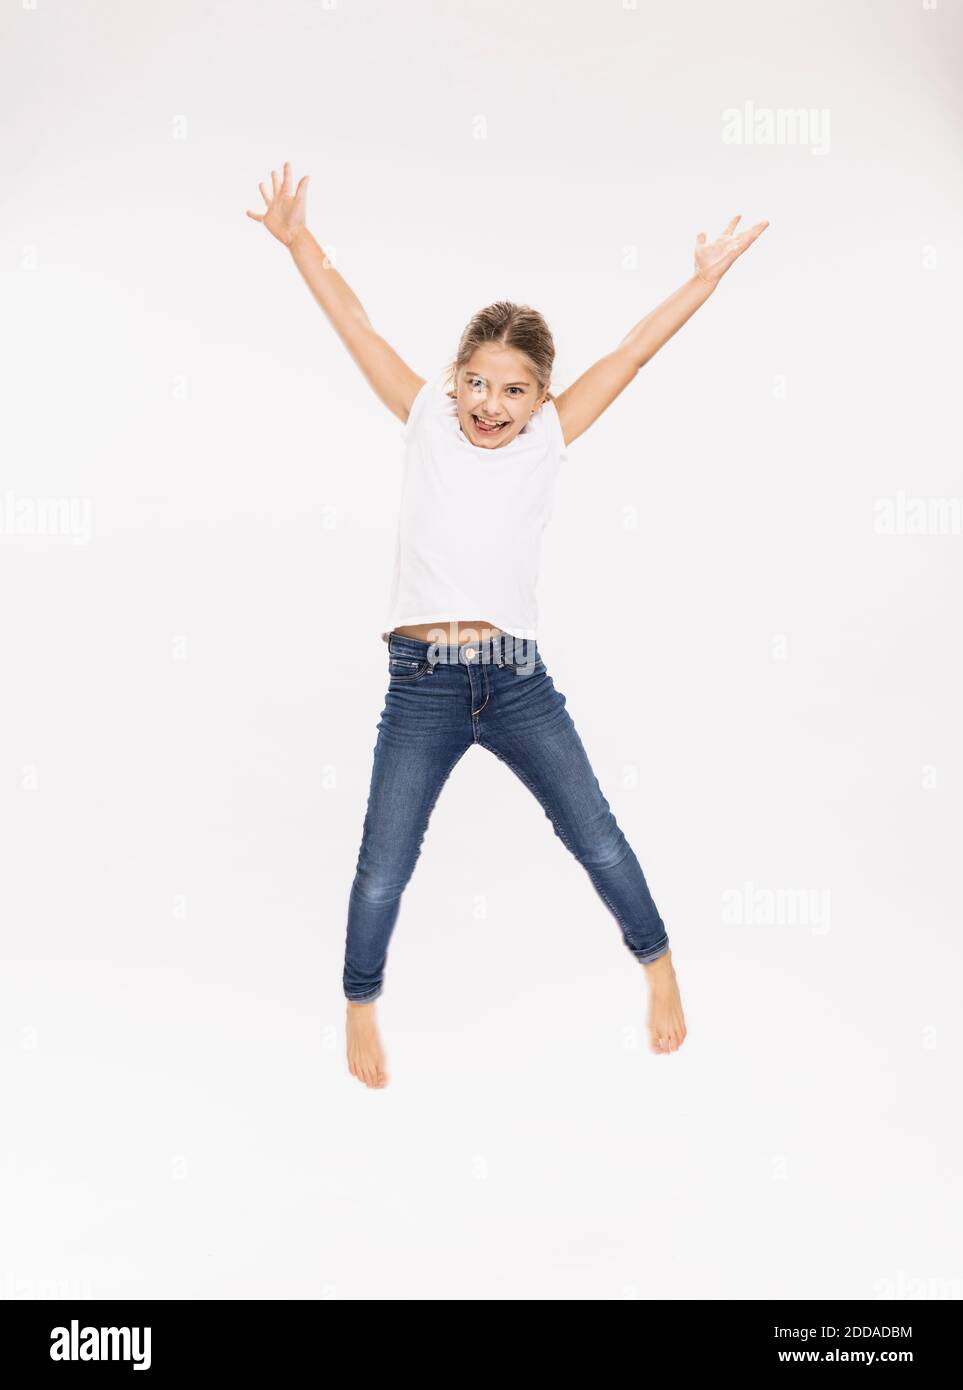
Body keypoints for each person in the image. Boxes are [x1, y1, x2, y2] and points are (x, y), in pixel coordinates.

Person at [247, 162, 768, 1088]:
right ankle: (360, 1003)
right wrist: (300, 245)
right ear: (454, 382)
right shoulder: (423, 419)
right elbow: (357, 322)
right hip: (422, 687)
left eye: (513, 391)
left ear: (539, 398)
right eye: (478, 384)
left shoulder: (553, 438)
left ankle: (658, 964)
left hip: (517, 681)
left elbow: (632, 354)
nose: (491, 405)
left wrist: (701, 280)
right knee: (382, 865)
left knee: (595, 833)